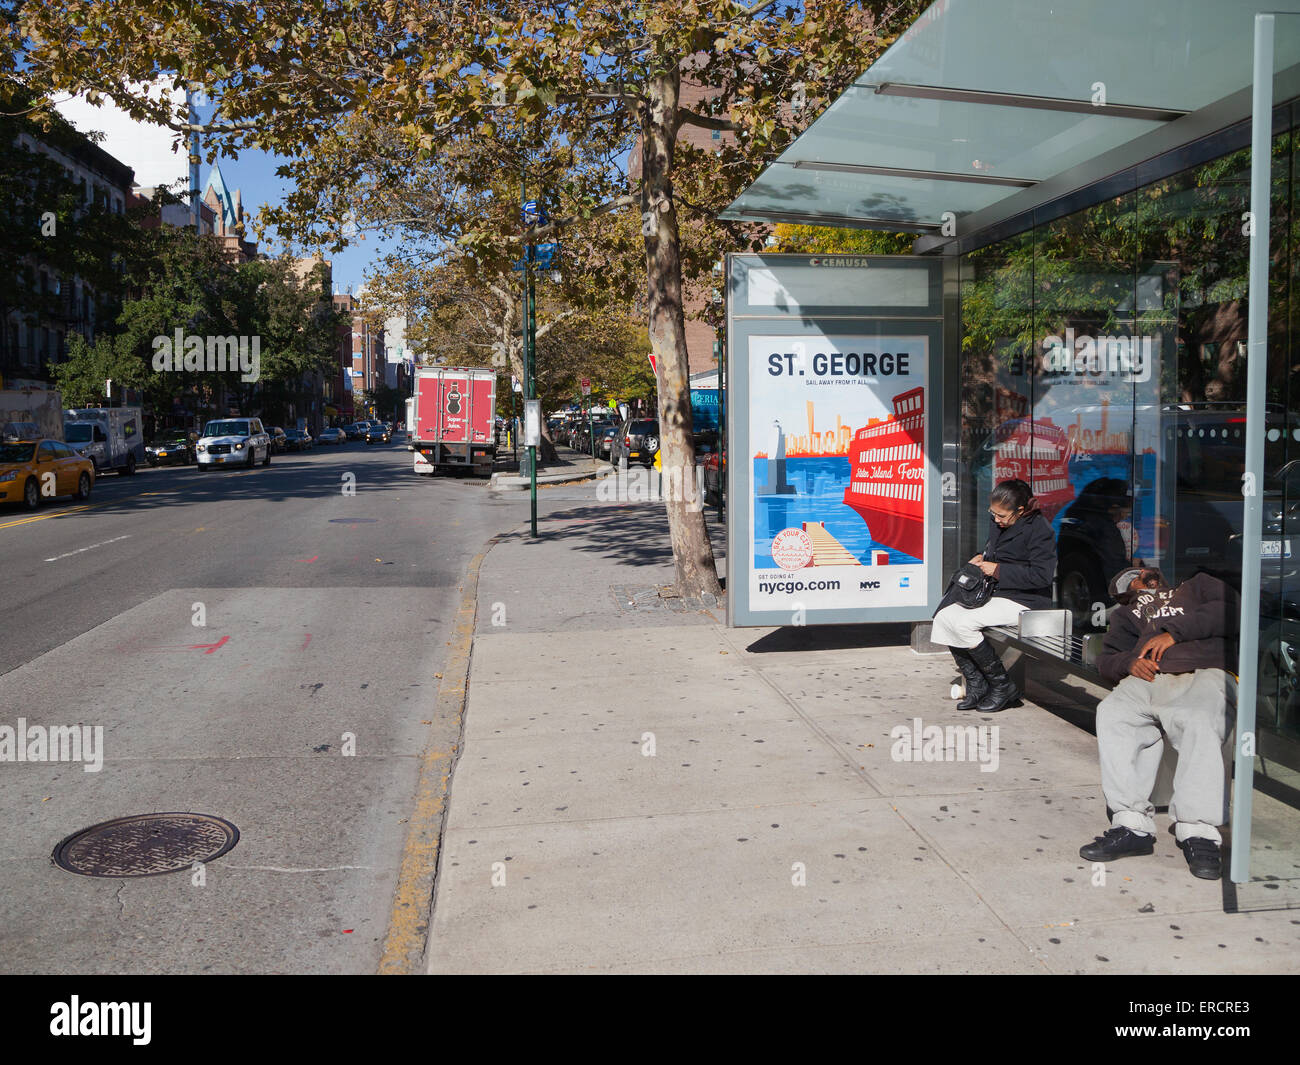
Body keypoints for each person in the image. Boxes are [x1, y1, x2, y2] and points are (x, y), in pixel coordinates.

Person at [1078, 567, 1239, 880]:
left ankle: (1198, 831)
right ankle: (1131, 824)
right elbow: (1107, 658)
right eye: (1131, 585)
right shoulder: (1128, 615)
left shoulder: (1198, 586)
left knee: (1201, 718)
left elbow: (1231, 611)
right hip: (1151, 677)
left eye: (1143, 574)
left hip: (1206, 670)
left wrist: (1174, 632)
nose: (1142, 581)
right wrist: (1129, 663)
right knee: (1113, 712)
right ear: (1127, 596)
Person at [932, 478, 1056, 712]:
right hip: (995, 591)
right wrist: (981, 557)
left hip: (1025, 599)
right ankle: (977, 685)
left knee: (965, 622)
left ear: (1020, 510)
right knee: (943, 616)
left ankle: (1002, 686)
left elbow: (1042, 576)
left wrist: (999, 570)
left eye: (1002, 516)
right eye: (993, 514)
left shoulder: (1041, 531)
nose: (996, 520)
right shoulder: (1000, 522)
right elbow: (997, 550)